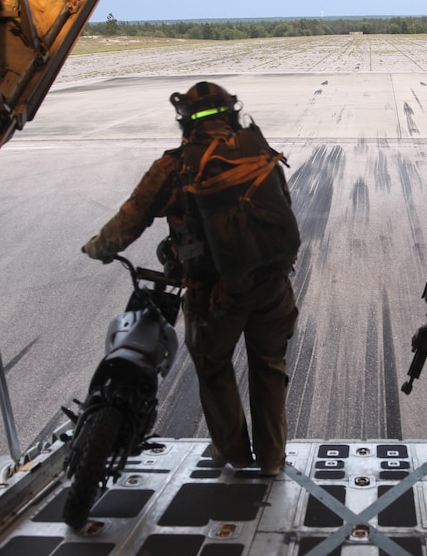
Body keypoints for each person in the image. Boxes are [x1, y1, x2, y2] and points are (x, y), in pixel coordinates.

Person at [82, 81, 299, 477]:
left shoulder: (175, 165)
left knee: (214, 367)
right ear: (231, 113)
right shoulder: (259, 154)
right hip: (272, 286)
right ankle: (271, 459)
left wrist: (100, 247)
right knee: (269, 365)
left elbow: (132, 217)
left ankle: (233, 451)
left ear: (186, 120)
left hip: (213, 295)